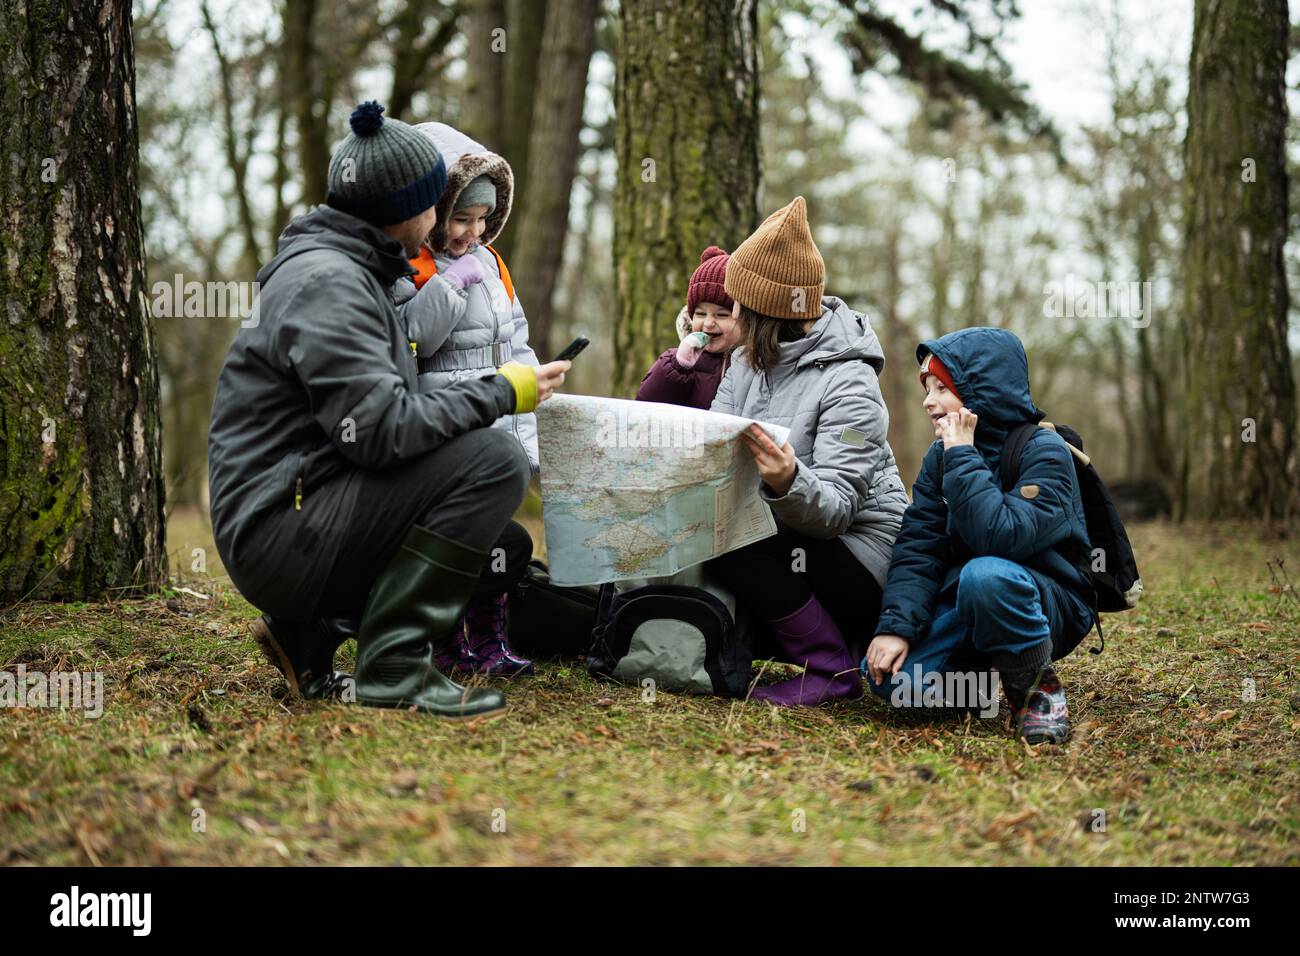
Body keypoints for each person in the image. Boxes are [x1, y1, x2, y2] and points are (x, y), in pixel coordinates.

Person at [207, 101, 569, 719]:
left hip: (300, 506)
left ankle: (310, 632)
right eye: (435, 205)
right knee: (494, 461)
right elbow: (380, 432)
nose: (439, 222)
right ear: (406, 210)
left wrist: (499, 386)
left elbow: (377, 413)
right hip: (279, 529)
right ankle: (394, 667)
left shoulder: (347, 269)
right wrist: (501, 394)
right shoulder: (331, 285)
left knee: (498, 537)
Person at [706, 197, 909, 707]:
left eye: (738, 306)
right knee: (707, 531)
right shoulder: (747, 362)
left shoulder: (851, 382)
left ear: (765, 312)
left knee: (739, 542)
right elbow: (715, 433)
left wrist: (787, 479)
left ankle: (831, 669)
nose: (729, 317)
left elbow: (837, 511)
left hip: (867, 555)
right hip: (789, 535)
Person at [862, 328, 1096, 744]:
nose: (928, 401)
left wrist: (963, 456)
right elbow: (919, 548)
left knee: (986, 575)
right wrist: (895, 628)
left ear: (979, 394)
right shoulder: (941, 456)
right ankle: (986, 678)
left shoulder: (1044, 452)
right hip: (971, 598)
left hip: (1047, 599)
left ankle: (1038, 695)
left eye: (942, 389)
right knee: (894, 685)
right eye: (926, 388)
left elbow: (1001, 537)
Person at [392, 121, 541, 676]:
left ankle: (490, 642)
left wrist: (530, 427)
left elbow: (516, 345)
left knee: (496, 538)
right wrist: (452, 285)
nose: (471, 232)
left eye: (482, 219)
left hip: (498, 417)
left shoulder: (495, 263)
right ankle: (444, 643)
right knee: (458, 539)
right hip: (446, 425)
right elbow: (417, 339)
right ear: (435, 207)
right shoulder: (414, 266)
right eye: (461, 217)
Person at [636, 247, 741, 409]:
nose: (708, 323)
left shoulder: (752, 364)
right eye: (700, 314)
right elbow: (646, 405)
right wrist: (678, 367)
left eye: (721, 315)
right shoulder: (678, 361)